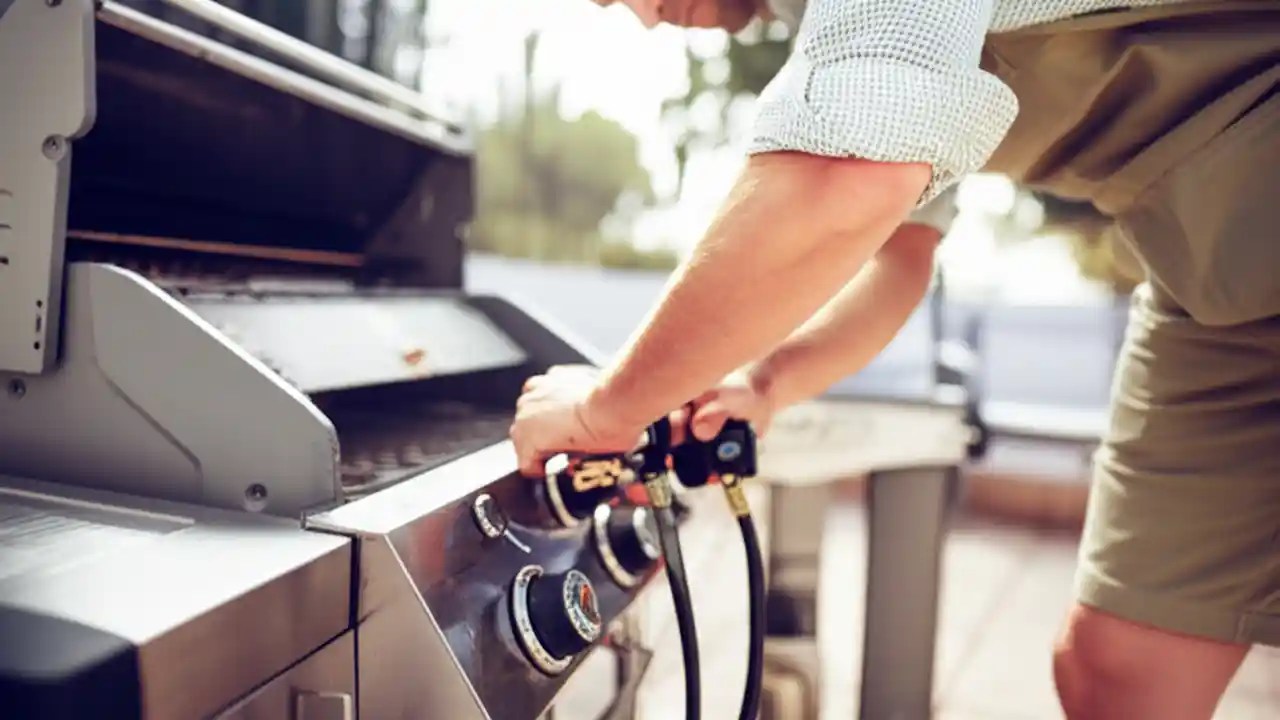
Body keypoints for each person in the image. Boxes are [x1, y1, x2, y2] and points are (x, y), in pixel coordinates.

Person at [510, 1, 1280, 718]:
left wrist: (604, 409)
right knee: (1119, 669)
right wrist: (764, 381)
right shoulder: (824, 20)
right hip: (1213, 275)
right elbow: (897, 258)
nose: (644, 18)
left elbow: (847, 179)